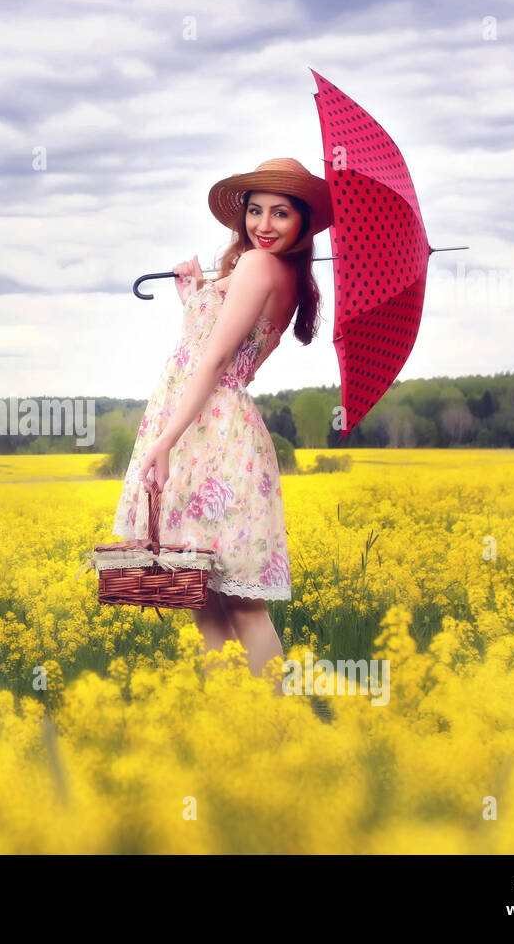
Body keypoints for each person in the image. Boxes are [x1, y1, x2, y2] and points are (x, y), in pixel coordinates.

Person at [110, 157, 333, 695]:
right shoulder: (280, 277)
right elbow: (212, 347)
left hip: (209, 434)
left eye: (281, 214)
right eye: (256, 211)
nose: (264, 225)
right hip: (215, 428)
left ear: (303, 223)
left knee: (240, 603)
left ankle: (275, 728)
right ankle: (232, 724)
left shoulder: (258, 266)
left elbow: (212, 362)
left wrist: (165, 439)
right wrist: (194, 296)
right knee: (204, 593)